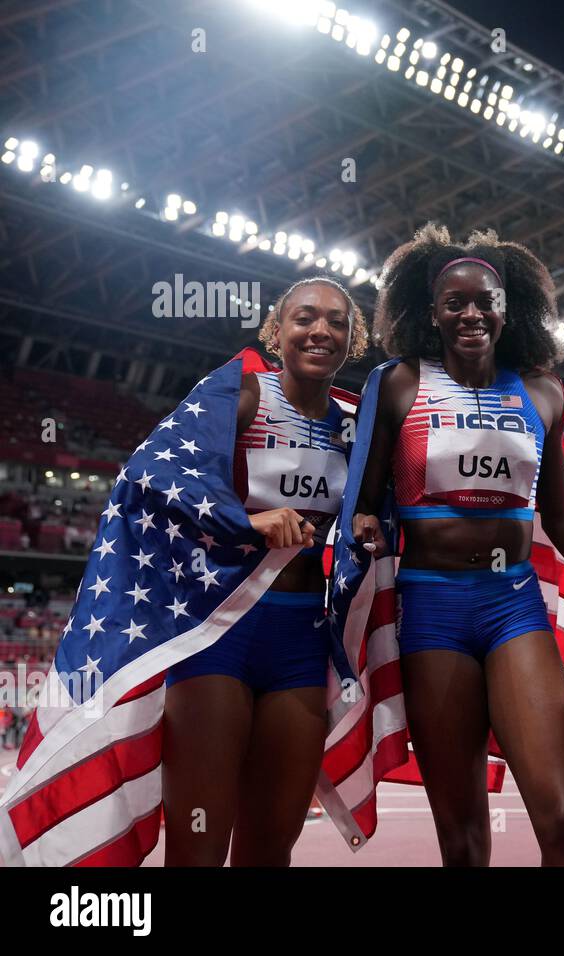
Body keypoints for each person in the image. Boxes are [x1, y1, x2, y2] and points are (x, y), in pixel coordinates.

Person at [351, 224, 564, 866]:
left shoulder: (542, 393)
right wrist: (367, 525)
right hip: (432, 612)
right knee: (462, 838)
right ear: (432, 313)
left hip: (512, 605)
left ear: (508, 309)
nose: (472, 313)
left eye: (485, 300)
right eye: (455, 302)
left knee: (562, 819)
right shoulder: (399, 384)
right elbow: (363, 501)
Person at [161, 276, 368, 866]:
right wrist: (246, 522)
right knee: (197, 847)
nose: (320, 330)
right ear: (276, 332)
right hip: (219, 632)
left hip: (301, 640)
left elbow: (385, 495)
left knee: (270, 847)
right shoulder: (244, 395)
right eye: (305, 318)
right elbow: (165, 480)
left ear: (352, 342)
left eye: (336, 321)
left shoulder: (356, 422)